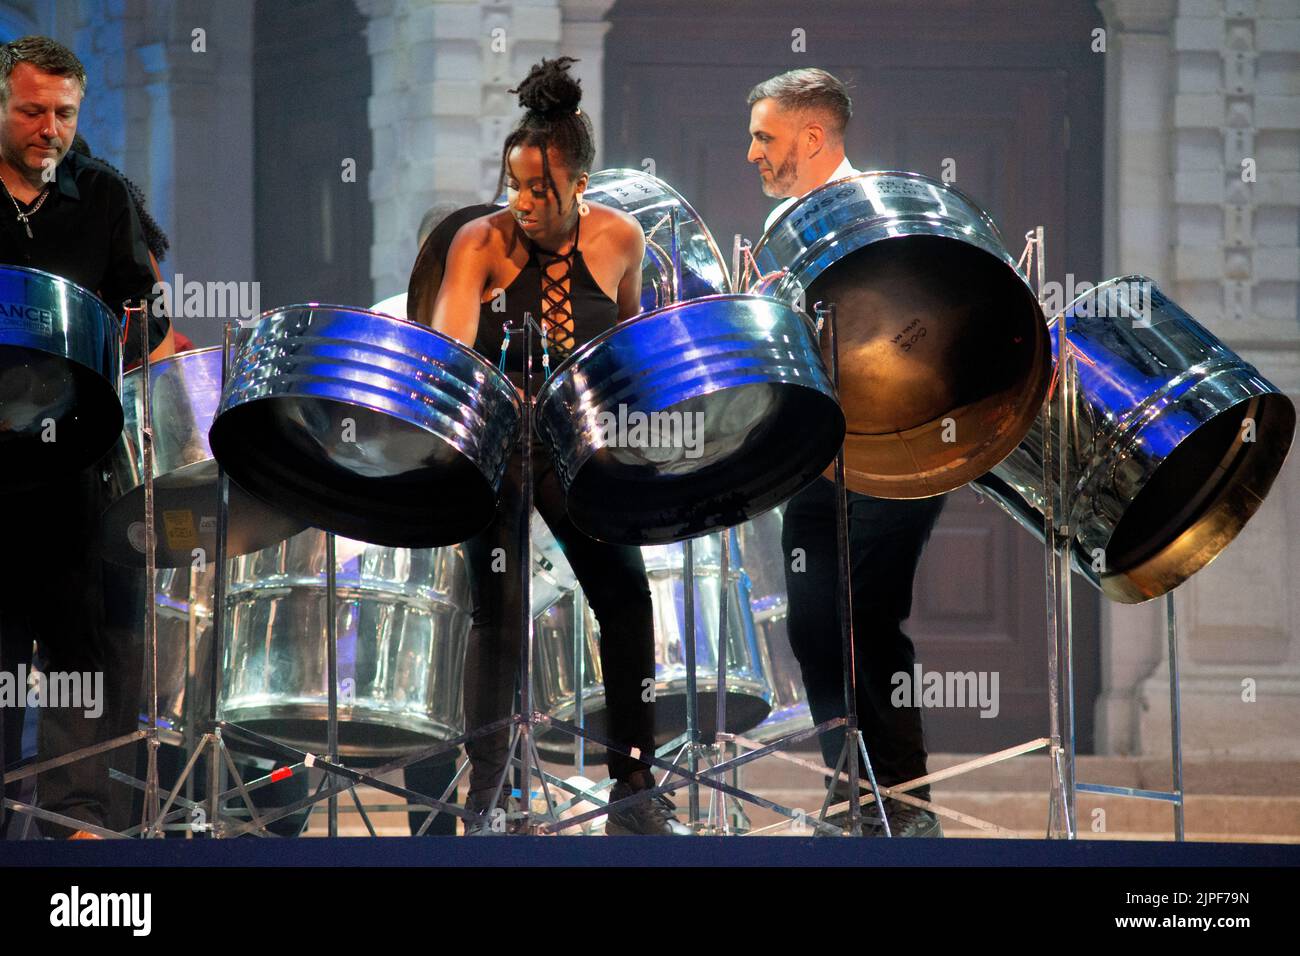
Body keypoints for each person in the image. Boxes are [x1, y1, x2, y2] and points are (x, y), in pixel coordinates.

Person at [430, 57, 687, 835]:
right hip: (505, 446)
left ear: (580, 183)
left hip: (581, 448)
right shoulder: (482, 241)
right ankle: (485, 797)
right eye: (516, 184)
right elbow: (449, 347)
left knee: (627, 599)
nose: (526, 202)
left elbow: (631, 351)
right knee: (497, 611)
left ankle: (634, 785)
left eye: (542, 189)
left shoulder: (621, 239)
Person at [746, 68, 945, 837]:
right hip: (819, 460)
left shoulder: (881, 212)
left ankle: (905, 801)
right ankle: (854, 791)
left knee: (870, 618)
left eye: (765, 136)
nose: (753, 153)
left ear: (813, 136)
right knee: (812, 623)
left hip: (899, 451)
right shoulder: (780, 235)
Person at [0, 35, 172, 838]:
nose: (49, 130)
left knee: (85, 655)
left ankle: (79, 831)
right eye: (32, 111)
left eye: (63, 114)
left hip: (79, 463)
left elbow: (147, 316)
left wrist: (124, 349)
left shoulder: (102, 197)